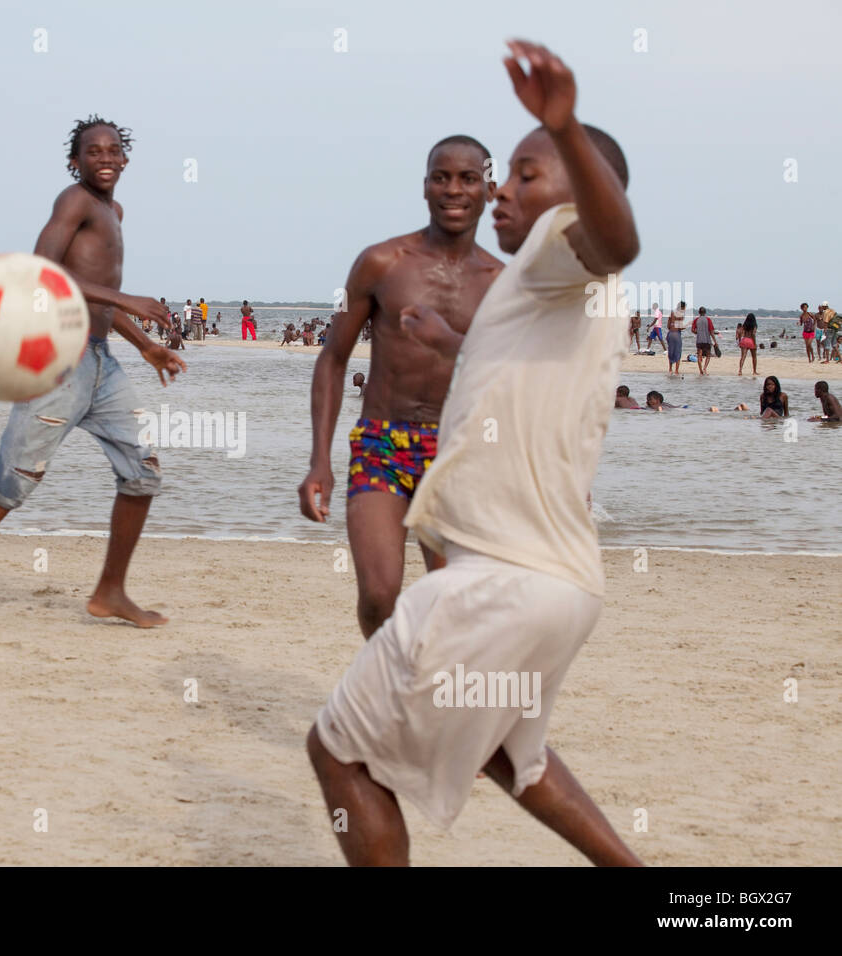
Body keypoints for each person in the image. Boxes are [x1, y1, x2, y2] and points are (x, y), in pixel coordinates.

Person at [309, 41, 643, 867]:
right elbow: (503, 370)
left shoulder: (558, 255)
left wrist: (562, 128)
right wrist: (445, 338)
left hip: (498, 576)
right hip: (563, 582)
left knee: (336, 752)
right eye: (503, 174)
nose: (495, 190)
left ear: (574, 193)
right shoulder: (519, 287)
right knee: (510, 754)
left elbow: (616, 239)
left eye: (522, 175)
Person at [0, 115, 185, 641]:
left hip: (101, 362)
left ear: (125, 159)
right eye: (93, 152)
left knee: (143, 471)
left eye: (113, 151)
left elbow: (93, 291)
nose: (105, 159)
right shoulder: (73, 201)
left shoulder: (113, 210)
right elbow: (42, 270)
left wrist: (143, 343)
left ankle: (110, 591)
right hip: (61, 360)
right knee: (13, 478)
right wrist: (128, 299)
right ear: (75, 162)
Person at [300, 134, 502, 639]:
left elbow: (518, 381)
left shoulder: (503, 282)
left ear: (488, 189)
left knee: (455, 601)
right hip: (381, 442)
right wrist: (319, 459)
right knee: (378, 593)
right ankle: (382, 680)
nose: (454, 190)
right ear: (425, 186)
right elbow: (333, 357)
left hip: (460, 451)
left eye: (468, 178)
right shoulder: (381, 263)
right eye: (441, 177)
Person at [691, 306, 715, 374]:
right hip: (707, 340)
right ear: (705, 312)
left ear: (699, 312)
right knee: (708, 355)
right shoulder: (708, 319)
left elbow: (692, 330)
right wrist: (715, 341)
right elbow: (711, 331)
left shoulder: (696, 320)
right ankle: (704, 368)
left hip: (699, 341)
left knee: (699, 355)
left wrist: (698, 332)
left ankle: (700, 371)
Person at [666, 300, 686, 374]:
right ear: (682, 307)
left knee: (671, 352)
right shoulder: (681, 314)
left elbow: (668, 326)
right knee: (677, 352)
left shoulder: (672, 313)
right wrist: (686, 326)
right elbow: (680, 327)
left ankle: (670, 369)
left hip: (670, 333)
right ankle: (676, 370)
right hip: (677, 334)